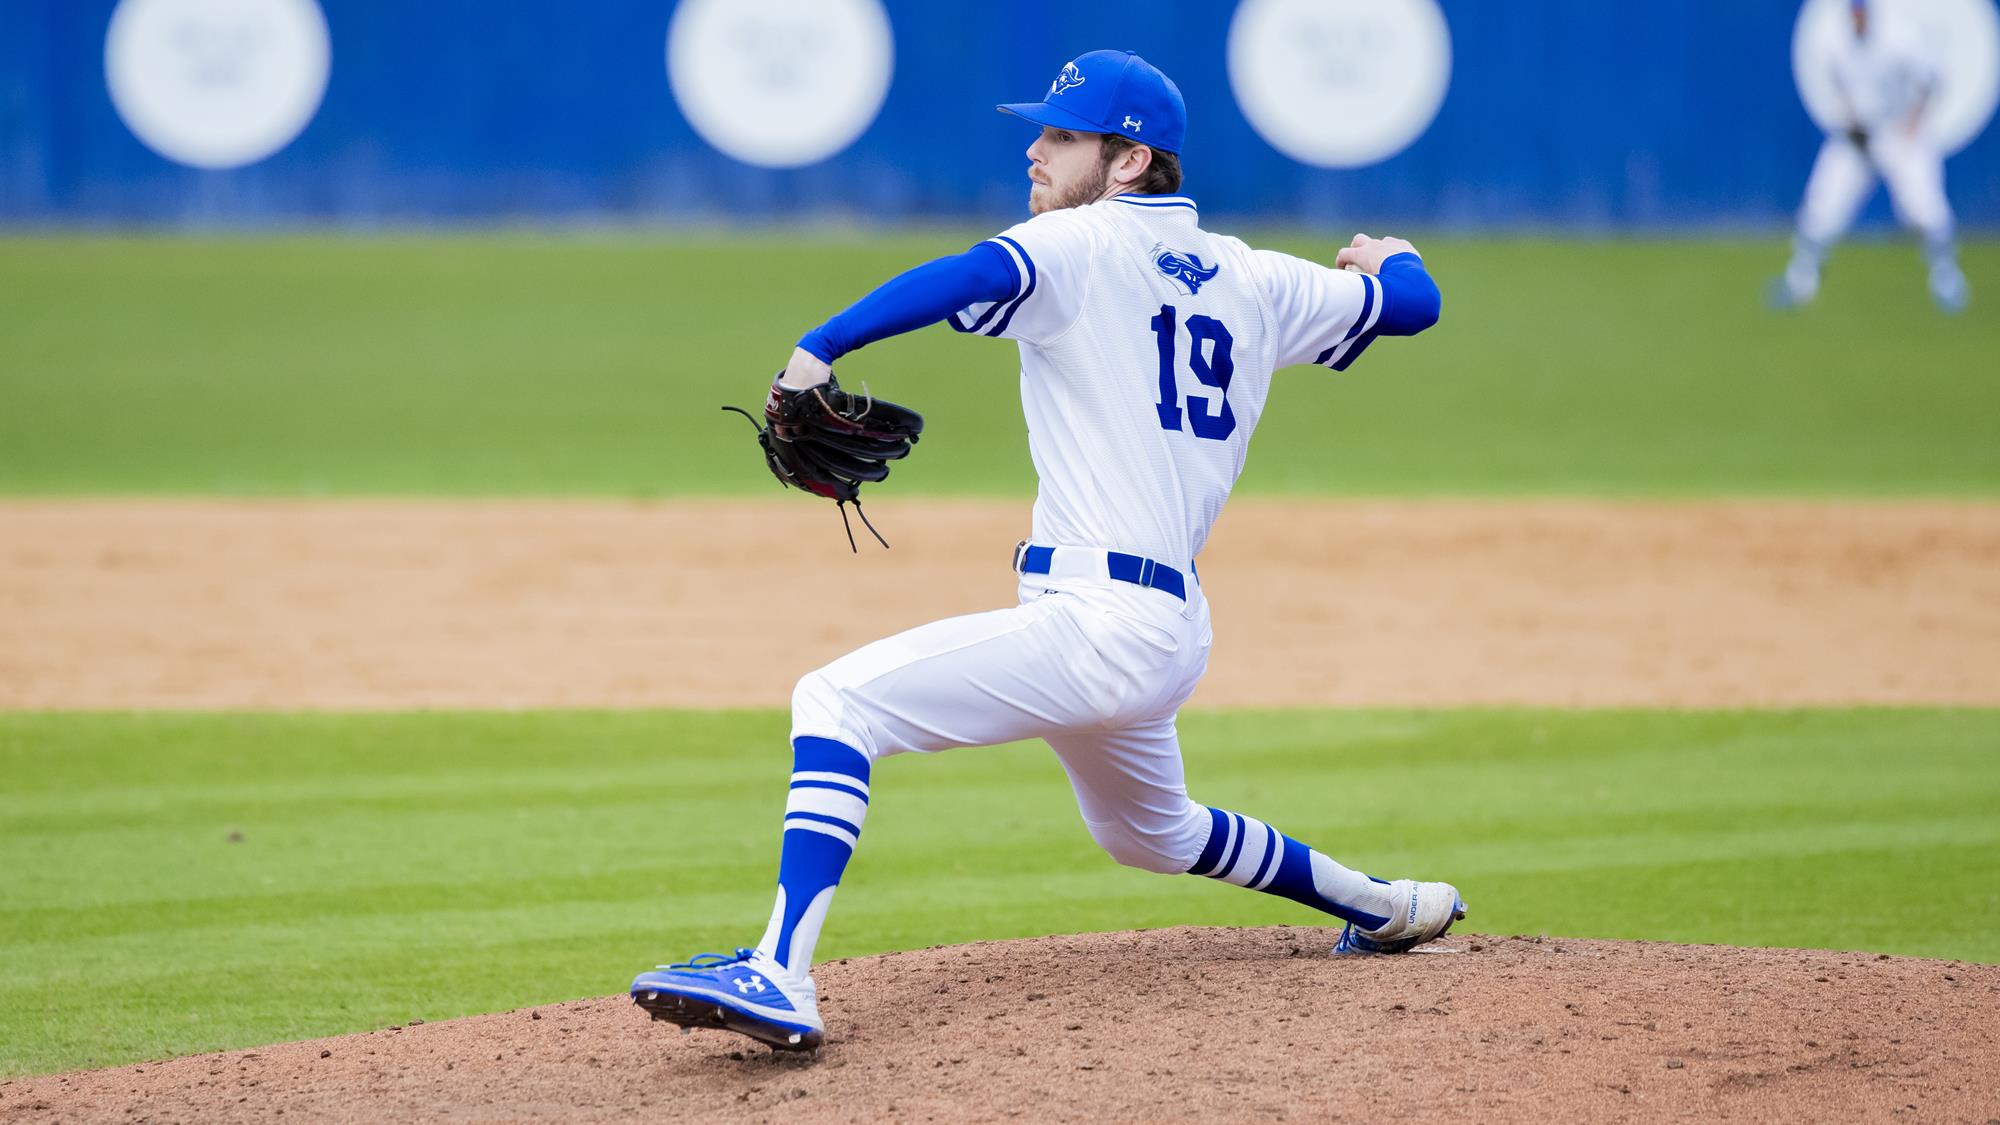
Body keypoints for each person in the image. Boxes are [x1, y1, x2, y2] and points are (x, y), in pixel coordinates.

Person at [630, 50, 1460, 1052]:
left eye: (1060, 135)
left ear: (1125, 162)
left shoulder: (1076, 248)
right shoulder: (1257, 278)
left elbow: (971, 275)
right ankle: (1382, 904)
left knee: (835, 700)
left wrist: (819, 347)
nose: (1032, 150)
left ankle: (779, 973)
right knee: (1150, 833)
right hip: (1165, 631)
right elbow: (1412, 308)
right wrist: (1390, 254)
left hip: (1094, 626)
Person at [1771, 0, 1969, 312]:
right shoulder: (1834, 39)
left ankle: (1947, 280)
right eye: (1854, 12)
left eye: (1862, 12)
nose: (1858, 18)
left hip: (1897, 133)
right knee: (1824, 202)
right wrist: (1849, 115)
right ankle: (1800, 282)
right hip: (1858, 136)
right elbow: (1837, 82)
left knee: (1924, 208)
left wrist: (1913, 123)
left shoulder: (1899, 37)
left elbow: (1931, 79)